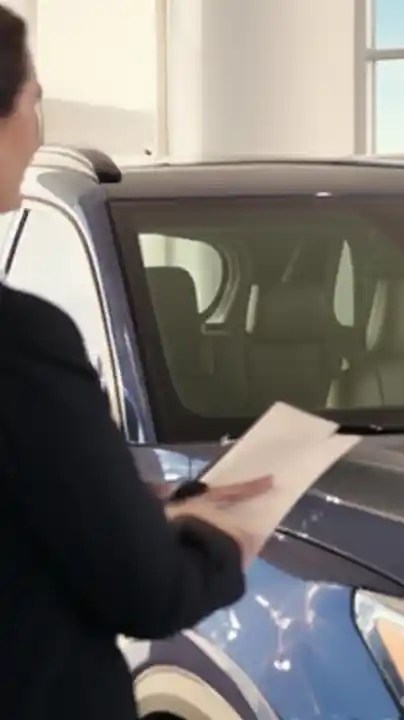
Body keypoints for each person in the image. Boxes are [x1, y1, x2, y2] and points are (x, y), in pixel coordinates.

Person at [0, 7, 272, 719]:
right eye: (32, 101)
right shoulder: (20, 340)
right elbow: (148, 594)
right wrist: (221, 537)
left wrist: (116, 502)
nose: (39, 131)